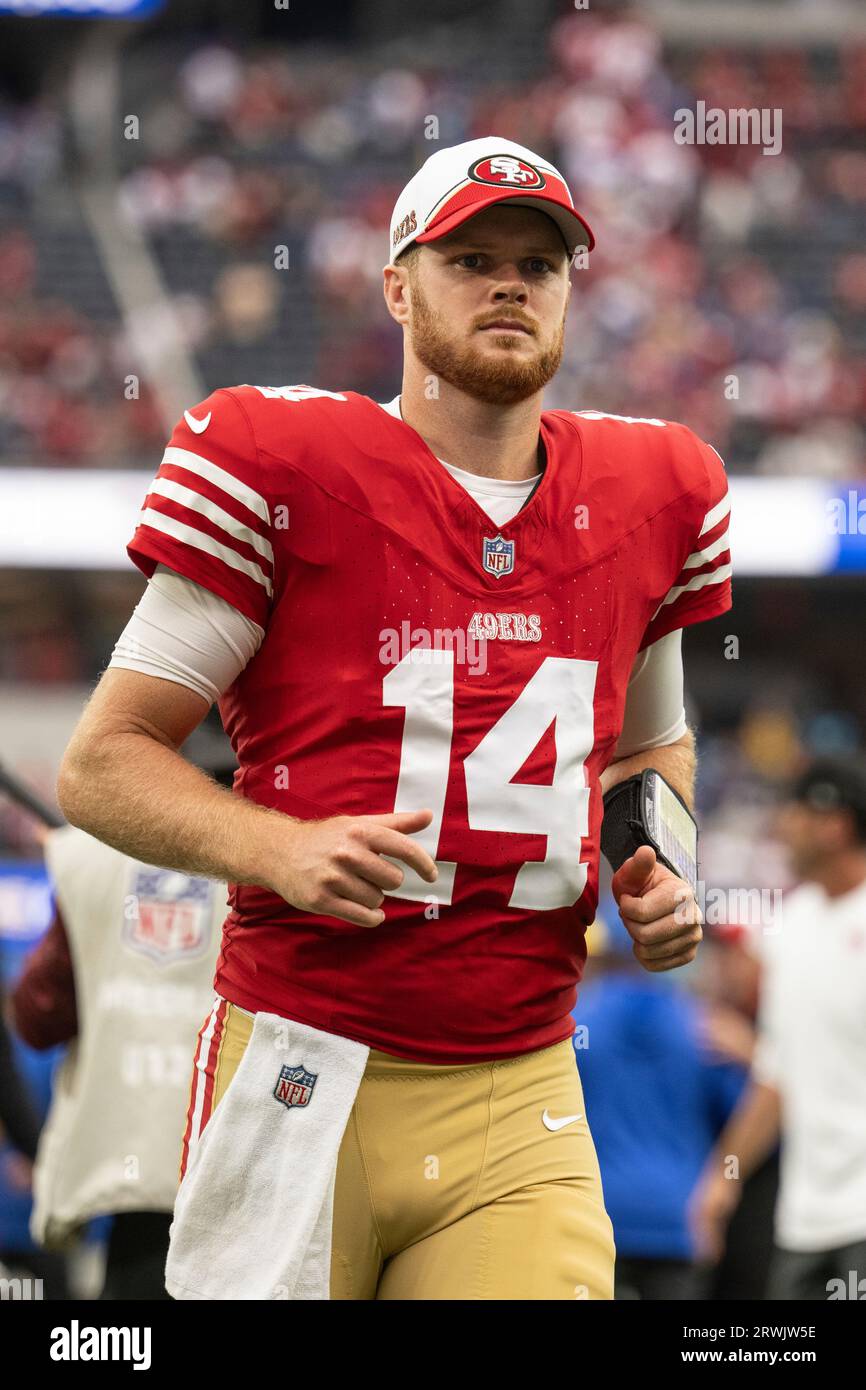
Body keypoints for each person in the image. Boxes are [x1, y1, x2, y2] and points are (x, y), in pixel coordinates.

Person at [56, 136, 731, 1300]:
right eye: (468, 257)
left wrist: (656, 860)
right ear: (396, 286)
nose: (509, 282)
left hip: (522, 1080)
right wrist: (277, 845)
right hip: (300, 1063)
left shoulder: (651, 491)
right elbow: (101, 762)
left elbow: (645, 744)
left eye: (538, 261)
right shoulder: (288, 462)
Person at [13, 729, 231, 1299]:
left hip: (144, 1178)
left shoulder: (94, 864)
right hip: (253, 1169)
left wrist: (89, 881)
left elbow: (37, 1017)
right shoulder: (285, 869)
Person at [690, 758, 866, 1300]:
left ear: (832, 824)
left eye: (793, 814)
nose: (781, 829)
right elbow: (778, 1074)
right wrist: (724, 1176)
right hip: (805, 1220)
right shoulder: (788, 931)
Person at [574, 903, 747, 1300]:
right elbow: (749, 1120)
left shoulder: (578, 1024)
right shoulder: (704, 1027)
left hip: (597, 1216)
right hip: (679, 1220)